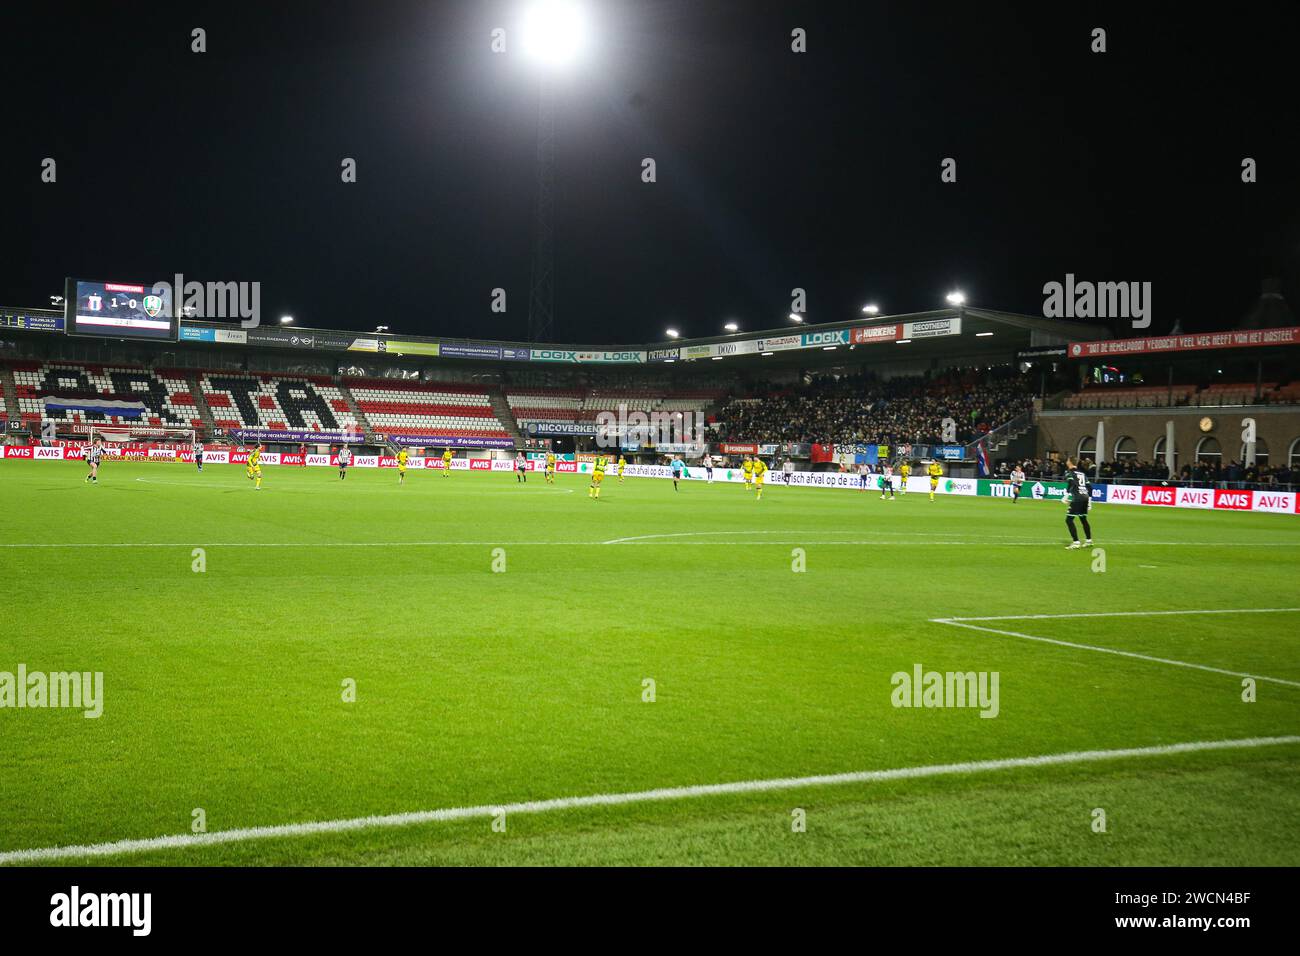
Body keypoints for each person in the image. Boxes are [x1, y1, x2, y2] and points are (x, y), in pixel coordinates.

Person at [1063, 457, 1094, 549]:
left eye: (1067, 460)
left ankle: (1076, 542)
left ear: (1070, 462)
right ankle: (1089, 541)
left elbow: (1071, 483)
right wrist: (1090, 502)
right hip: (1085, 498)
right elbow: (1090, 488)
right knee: (1083, 519)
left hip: (1078, 498)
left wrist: (1066, 496)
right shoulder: (1082, 473)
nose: (1066, 461)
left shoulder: (1069, 473)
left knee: (1069, 520)